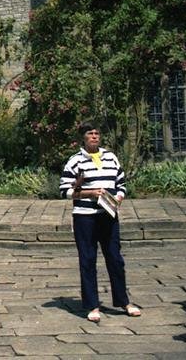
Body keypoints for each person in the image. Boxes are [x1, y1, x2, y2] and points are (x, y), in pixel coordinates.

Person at [59, 122, 142, 322]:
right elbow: (65, 191)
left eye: (97, 133)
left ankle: (124, 301)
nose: (95, 137)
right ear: (83, 138)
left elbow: (121, 184)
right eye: (90, 134)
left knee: (115, 258)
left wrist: (119, 197)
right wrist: (90, 193)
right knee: (88, 260)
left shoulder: (111, 157)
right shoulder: (75, 161)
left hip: (108, 214)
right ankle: (92, 305)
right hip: (85, 217)